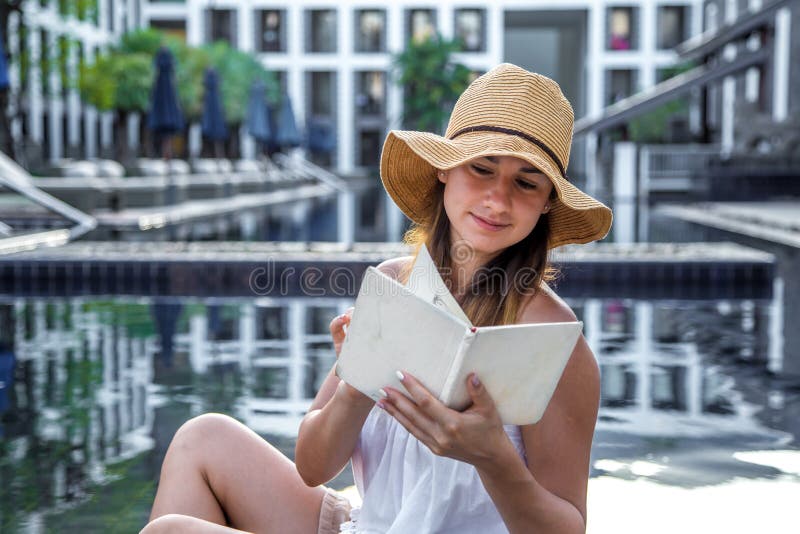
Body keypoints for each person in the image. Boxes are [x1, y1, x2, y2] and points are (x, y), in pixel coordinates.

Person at [140, 63, 612, 534]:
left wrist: (494, 458)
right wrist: (358, 379)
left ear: (548, 200)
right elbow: (313, 467)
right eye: (481, 169)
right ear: (444, 170)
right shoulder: (396, 283)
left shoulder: (554, 342)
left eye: (526, 182)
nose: (497, 199)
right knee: (200, 439)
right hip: (373, 525)